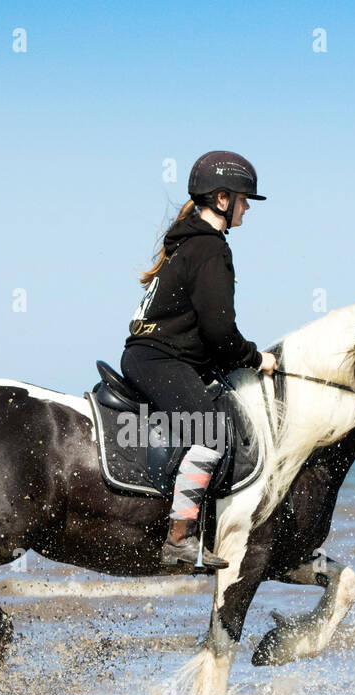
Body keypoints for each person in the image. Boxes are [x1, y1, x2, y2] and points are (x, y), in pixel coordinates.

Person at [121, 150, 277, 570]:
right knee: (209, 433)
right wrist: (255, 358)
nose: (247, 207)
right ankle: (180, 537)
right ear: (222, 199)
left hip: (149, 355)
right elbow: (220, 334)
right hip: (160, 359)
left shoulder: (186, 242)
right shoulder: (210, 249)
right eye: (244, 199)